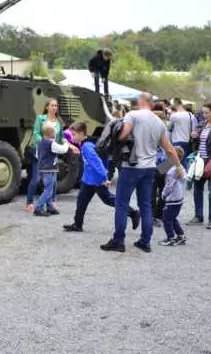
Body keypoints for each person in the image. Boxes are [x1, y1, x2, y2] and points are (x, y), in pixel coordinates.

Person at [100, 93, 183, 253]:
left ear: (140, 102)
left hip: (131, 166)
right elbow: (169, 149)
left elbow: (123, 135)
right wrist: (178, 166)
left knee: (121, 203)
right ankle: (145, 241)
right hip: (150, 168)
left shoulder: (133, 115)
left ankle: (118, 241)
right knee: (145, 205)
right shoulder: (159, 122)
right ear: (151, 104)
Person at [63, 122, 140, 232]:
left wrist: (105, 178)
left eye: (74, 135)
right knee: (81, 201)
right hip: (87, 181)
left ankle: (133, 213)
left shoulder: (87, 147)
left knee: (108, 199)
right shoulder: (84, 144)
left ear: (81, 134)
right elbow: (63, 135)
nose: (72, 137)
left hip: (96, 181)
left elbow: (97, 163)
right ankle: (77, 224)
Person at [26, 98, 72, 212]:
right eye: (52, 105)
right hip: (40, 152)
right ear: (47, 107)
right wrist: (44, 143)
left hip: (52, 153)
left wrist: (70, 145)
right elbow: (36, 133)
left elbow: (61, 138)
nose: (54, 107)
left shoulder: (58, 122)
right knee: (36, 179)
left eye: (56, 106)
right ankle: (29, 202)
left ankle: (52, 202)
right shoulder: (40, 119)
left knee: (54, 180)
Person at [186, 103, 211, 228]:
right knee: (197, 189)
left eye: (207, 113)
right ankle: (198, 216)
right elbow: (196, 140)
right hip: (199, 161)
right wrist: (194, 136)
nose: (204, 115)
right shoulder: (202, 124)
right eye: (203, 113)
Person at [33, 122, 70, 217]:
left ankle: (49, 207)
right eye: (54, 131)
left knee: (52, 187)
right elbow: (63, 150)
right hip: (49, 169)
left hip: (45, 169)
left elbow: (37, 155)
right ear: (52, 133)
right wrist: (66, 143)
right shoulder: (51, 143)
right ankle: (38, 207)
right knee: (48, 190)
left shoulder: (40, 143)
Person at [160, 146, 187, 246]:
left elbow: (169, 186)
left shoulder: (171, 171)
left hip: (172, 199)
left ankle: (170, 237)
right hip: (179, 198)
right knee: (173, 217)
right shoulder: (181, 168)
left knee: (166, 219)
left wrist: (163, 195)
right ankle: (181, 236)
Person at [167, 98, 195, 168]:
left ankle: (171, 176)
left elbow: (168, 128)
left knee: (174, 162)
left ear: (175, 104)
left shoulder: (174, 116)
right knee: (185, 162)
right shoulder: (191, 115)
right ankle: (185, 177)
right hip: (187, 142)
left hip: (176, 141)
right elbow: (194, 129)